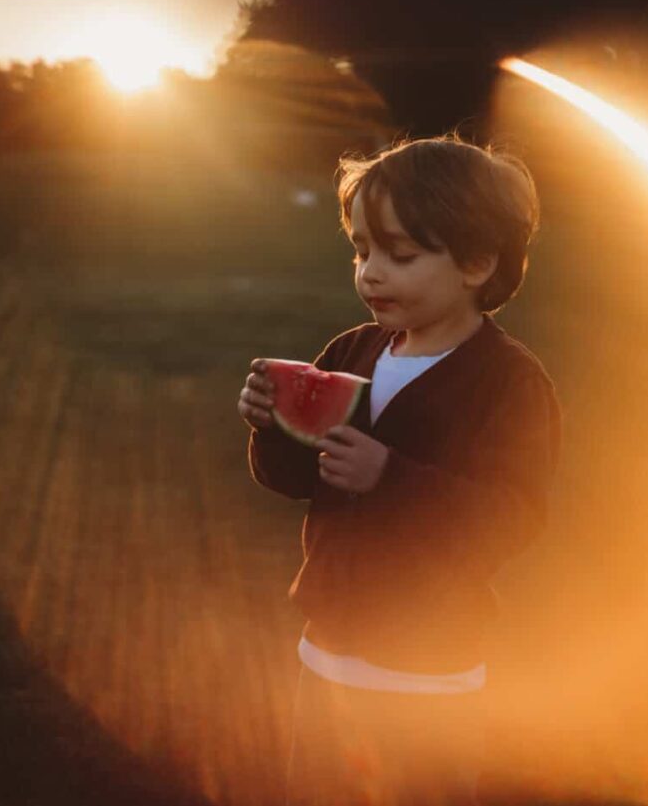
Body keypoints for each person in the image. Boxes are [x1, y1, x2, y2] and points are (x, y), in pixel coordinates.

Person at [237, 134, 563, 806]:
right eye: (360, 250)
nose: (370, 273)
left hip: (427, 673)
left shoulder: (508, 382)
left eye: (399, 254)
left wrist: (394, 477)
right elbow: (299, 477)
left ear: (476, 262)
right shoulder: (353, 348)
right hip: (325, 649)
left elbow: (510, 518)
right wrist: (273, 426)